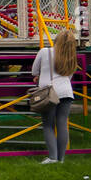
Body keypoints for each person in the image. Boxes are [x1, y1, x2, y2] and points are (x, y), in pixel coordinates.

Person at [32, 28, 77, 164]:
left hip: (49, 93)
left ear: (56, 40)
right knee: (62, 124)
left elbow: (34, 70)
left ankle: (52, 157)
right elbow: (69, 76)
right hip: (66, 92)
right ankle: (61, 158)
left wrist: (40, 75)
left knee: (48, 125)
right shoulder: (70, 57)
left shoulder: (45, 52)